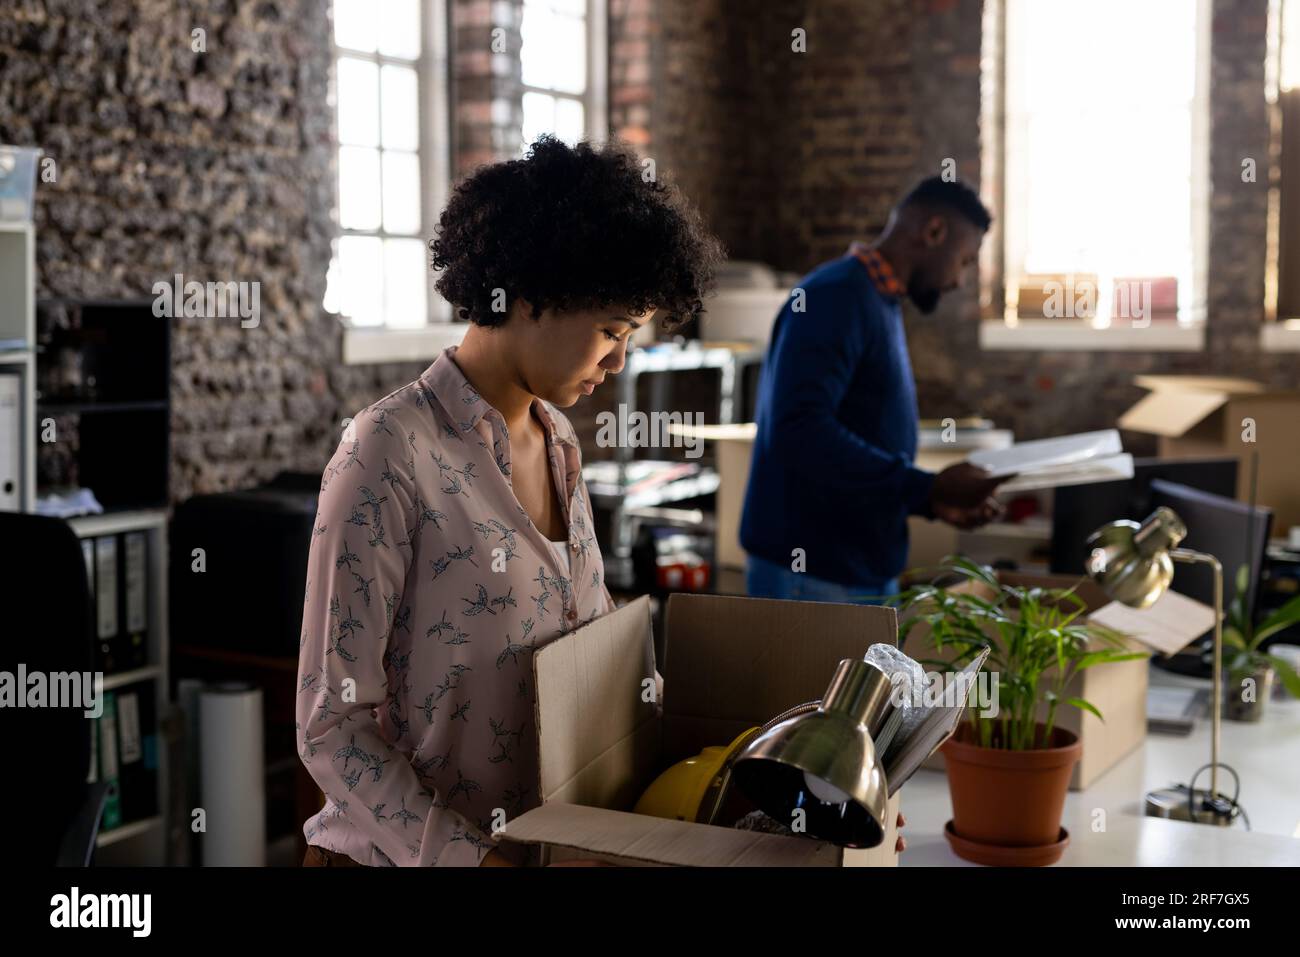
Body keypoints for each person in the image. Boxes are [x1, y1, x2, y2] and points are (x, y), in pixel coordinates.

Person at [296, 136, 723, 866]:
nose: (620, 359)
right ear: (529, 296)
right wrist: (473, 860)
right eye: (611, 330)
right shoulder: (388, 452)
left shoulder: (558, 441)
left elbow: (589, 655)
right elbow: (331, 727)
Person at [740, 176, 1009, 605]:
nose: (959, 280)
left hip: (857, 568)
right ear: (933, 231)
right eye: (965, 260)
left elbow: (860, 432)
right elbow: (800, 430)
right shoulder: (834, 297)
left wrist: (930, 502)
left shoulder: (876, 299)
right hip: (814, 573)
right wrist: (926, 488)